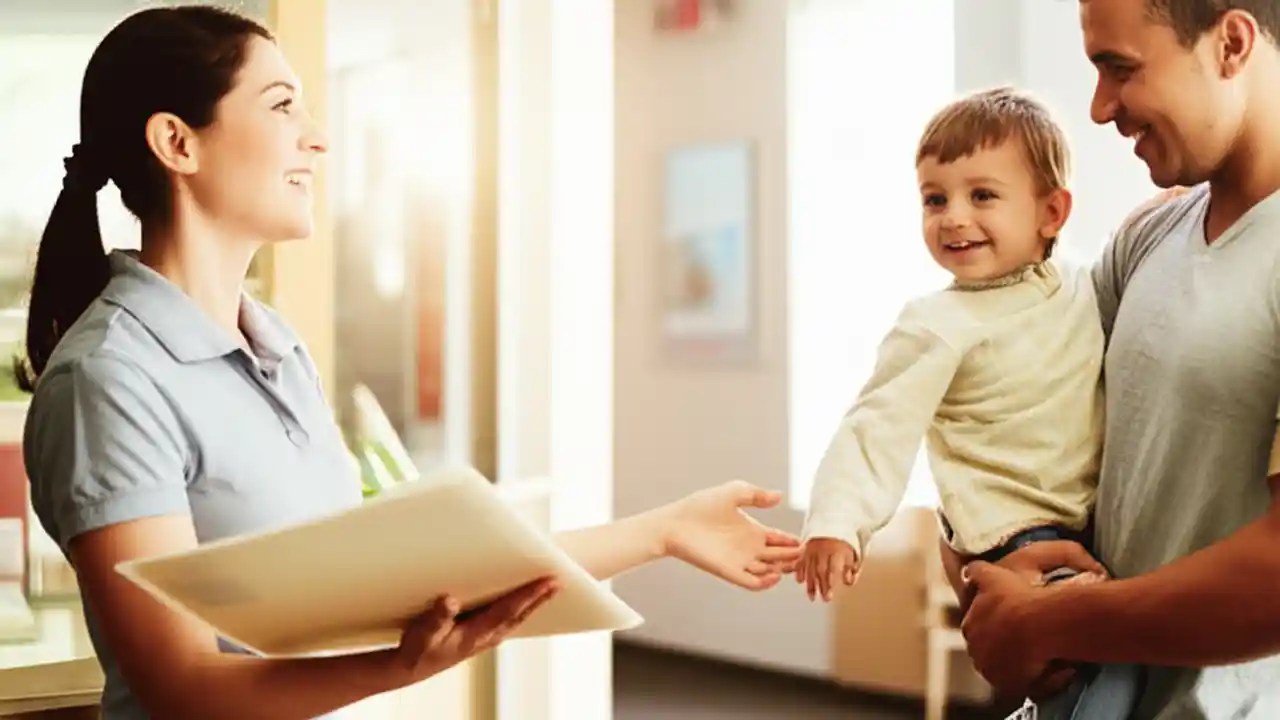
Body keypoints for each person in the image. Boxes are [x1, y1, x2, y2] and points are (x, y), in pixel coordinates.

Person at [19, 7, 803, 720]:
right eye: (283, 105)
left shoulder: (278, 350)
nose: (317, 137)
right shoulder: (109, 380)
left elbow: (414, 575)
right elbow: (183, 686)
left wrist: (663, 531)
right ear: (177, 142)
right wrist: (397, 669)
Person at [949, 1, 1280, 718]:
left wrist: (1045, 621)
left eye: (1120, 69)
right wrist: (991, 558)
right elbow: (1013, 412)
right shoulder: (1149, 236)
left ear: (1231, 43)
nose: (1100, 110)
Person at [793, 87, 1138, 719]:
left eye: (981, 195)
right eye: (934, 198)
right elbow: (877, 425)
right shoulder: (936, 323)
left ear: (1052, 212)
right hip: (1011, 536)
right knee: (1102, 670)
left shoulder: (1079, 287)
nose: (952, 216)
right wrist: (837, 521)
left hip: (1090, 526)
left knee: (1095, 673)